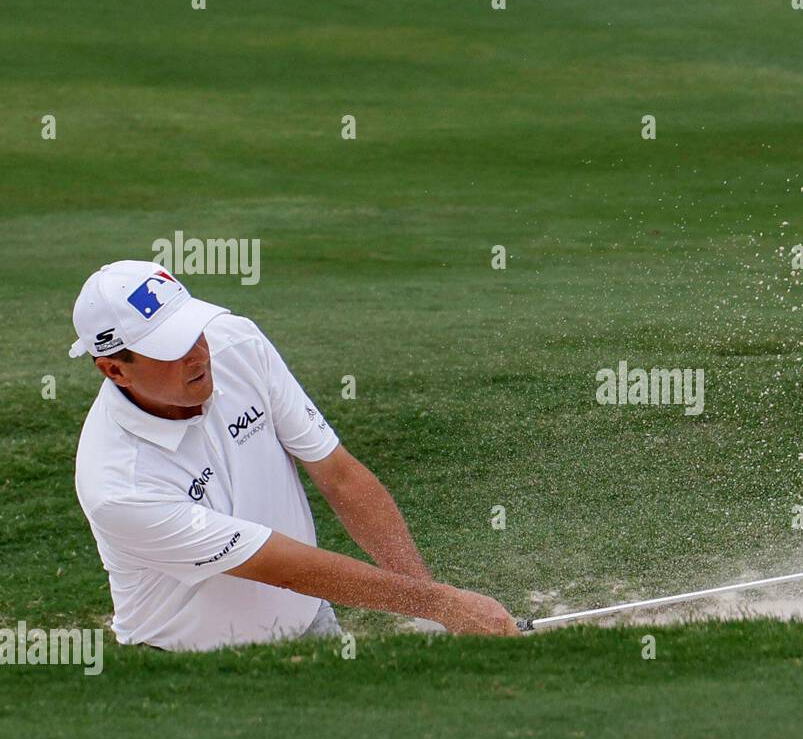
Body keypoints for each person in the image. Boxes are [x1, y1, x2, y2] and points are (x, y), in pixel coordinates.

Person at [69, 260, 518, 651]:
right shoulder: (118, 485)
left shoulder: (236, 345)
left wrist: (431, 606)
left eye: (193, 332)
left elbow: (340, 476)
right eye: (170, 349)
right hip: (192, 668)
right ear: (114, 369)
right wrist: (439, 602)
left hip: (310, 622)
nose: (197, 355)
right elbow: (277, 565)